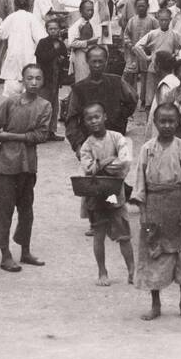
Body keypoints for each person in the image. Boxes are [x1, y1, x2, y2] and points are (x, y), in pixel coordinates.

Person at [0, 65, 52, 273]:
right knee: (4, 210)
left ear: (43, 81)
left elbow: (40, 136)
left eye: (38, 78)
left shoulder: (45, 106)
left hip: (28, 165)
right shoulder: (10, 103)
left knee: (26, 209)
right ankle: (5, 255)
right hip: (5, 165)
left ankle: (26, 251)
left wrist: (9, 136)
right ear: (22, 80)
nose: (34, 82)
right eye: (29, 78)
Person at [132, 102, 181, 321]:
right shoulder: (147, 149)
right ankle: (155, 303)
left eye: (172, 121)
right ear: (155, 122)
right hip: (155, 209)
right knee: (155, 257)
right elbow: (140, 185)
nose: (168, 125)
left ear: (178, 122)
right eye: (163, 121)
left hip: (178, 208)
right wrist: (143, 214)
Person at [77, 103, 135, 286]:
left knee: (124, 235)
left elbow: (124, 161)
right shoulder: (86, 146)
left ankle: (132, 270)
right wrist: (106, 161)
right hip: (95, 195)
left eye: (97, 116)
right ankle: (102, 272)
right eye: (89, 118)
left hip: (115, 194)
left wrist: (100, 165)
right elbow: (87, 169)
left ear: (105, 117)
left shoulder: (117, 137)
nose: (94, 121)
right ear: (85, 122)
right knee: (99, 234)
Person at [66, 45, 138, 149]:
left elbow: (132, 100)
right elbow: (71, 119)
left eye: (100, 61)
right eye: (94, 61)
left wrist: (120, 117)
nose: (97, 65)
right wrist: (77, 144)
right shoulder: (79, 88)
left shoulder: (116, 82)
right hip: (88, 140)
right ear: (87, 61)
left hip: (114, 138)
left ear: (106, 61)